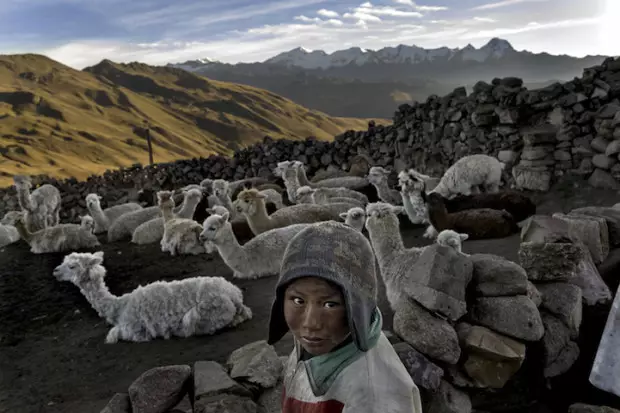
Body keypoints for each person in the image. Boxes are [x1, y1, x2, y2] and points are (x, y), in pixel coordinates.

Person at [267, 221, 423, 413]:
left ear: (358, 307)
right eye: (298, 300)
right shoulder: (317, 343)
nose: (310, 323)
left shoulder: (372, 396)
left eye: (330, 305)